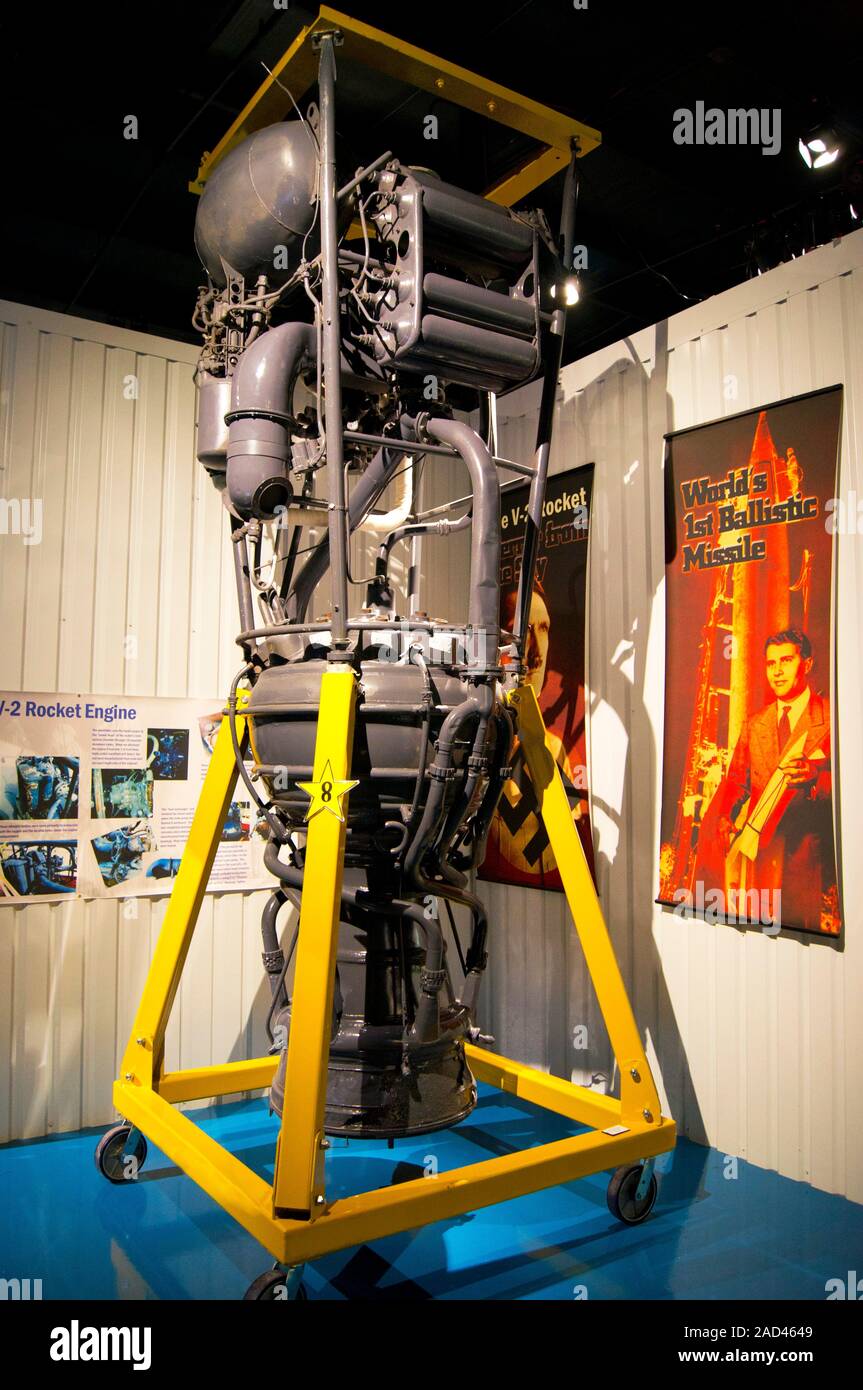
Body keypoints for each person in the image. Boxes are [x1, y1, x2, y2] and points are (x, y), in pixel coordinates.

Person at [711, 627, 833, 931]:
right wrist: (726, 814)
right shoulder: (755, 724)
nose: (777, 672)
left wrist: (818, 777)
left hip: (807, 857)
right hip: (761, 853)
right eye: (771, 663)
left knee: (802, 935)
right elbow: (738, 779)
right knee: (758, 930)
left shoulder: (833, 719)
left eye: (786, 661)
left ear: (806, 664)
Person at [485, 583, 585, 883]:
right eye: (522, 631)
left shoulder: (553, 750)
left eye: (543, 629)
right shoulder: (476, 743)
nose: (537, 653)